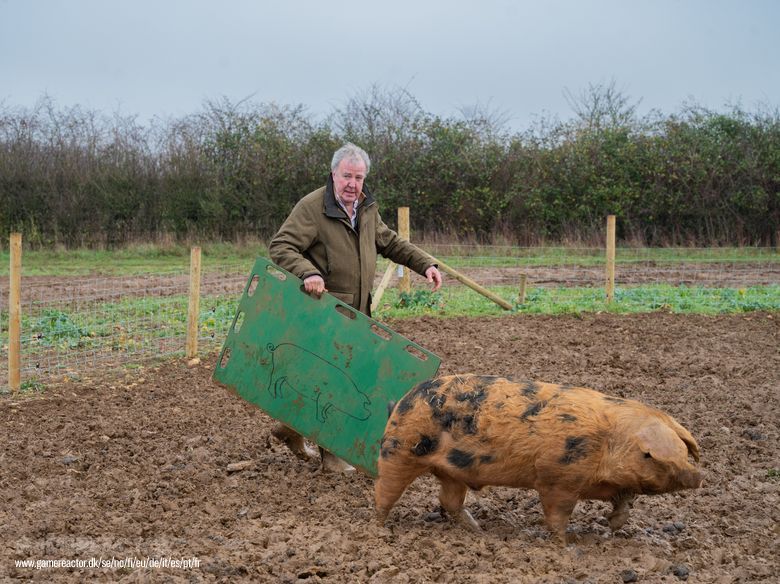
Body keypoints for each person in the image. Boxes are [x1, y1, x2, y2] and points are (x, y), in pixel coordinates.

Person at [268, 142, 442, 473]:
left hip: (358, 315)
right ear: (334, 174)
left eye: (359, 177)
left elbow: (390, 242)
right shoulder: (313, 208)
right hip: (325, 312)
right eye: (347, 176)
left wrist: (425, 265)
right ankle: (333, 456)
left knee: (338, 377)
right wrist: (309, 272)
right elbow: (281, 246)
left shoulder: (365, 208)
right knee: (335, 381)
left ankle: (288, 428)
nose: (352, 183)